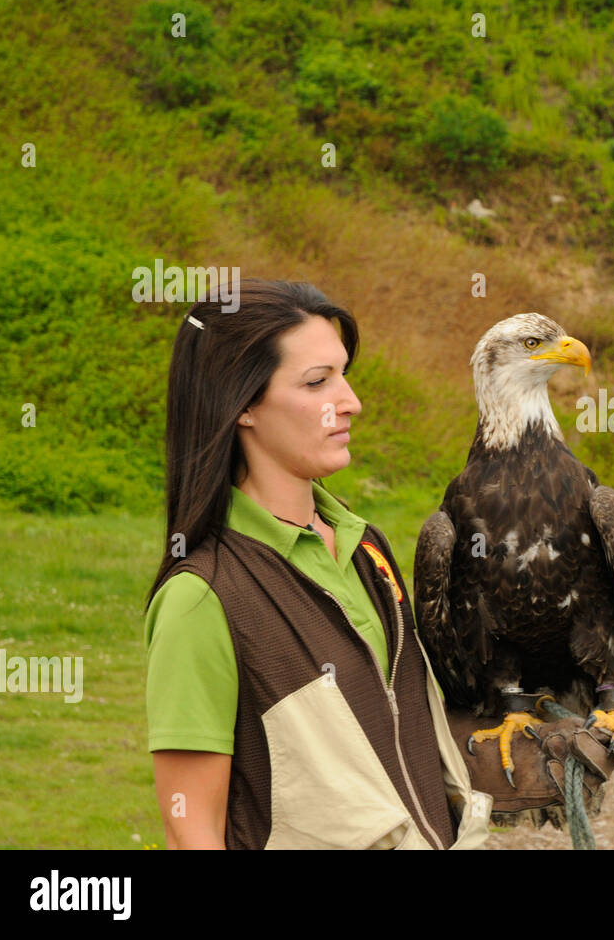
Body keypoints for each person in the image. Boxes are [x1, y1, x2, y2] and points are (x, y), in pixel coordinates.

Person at [143, 279, 492, 849]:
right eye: (317, 382)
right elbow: (191, 830)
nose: (350, 400)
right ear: (244, 405)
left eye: (343, 373)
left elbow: (385, 738)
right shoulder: (201, 598)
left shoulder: (367, 549)